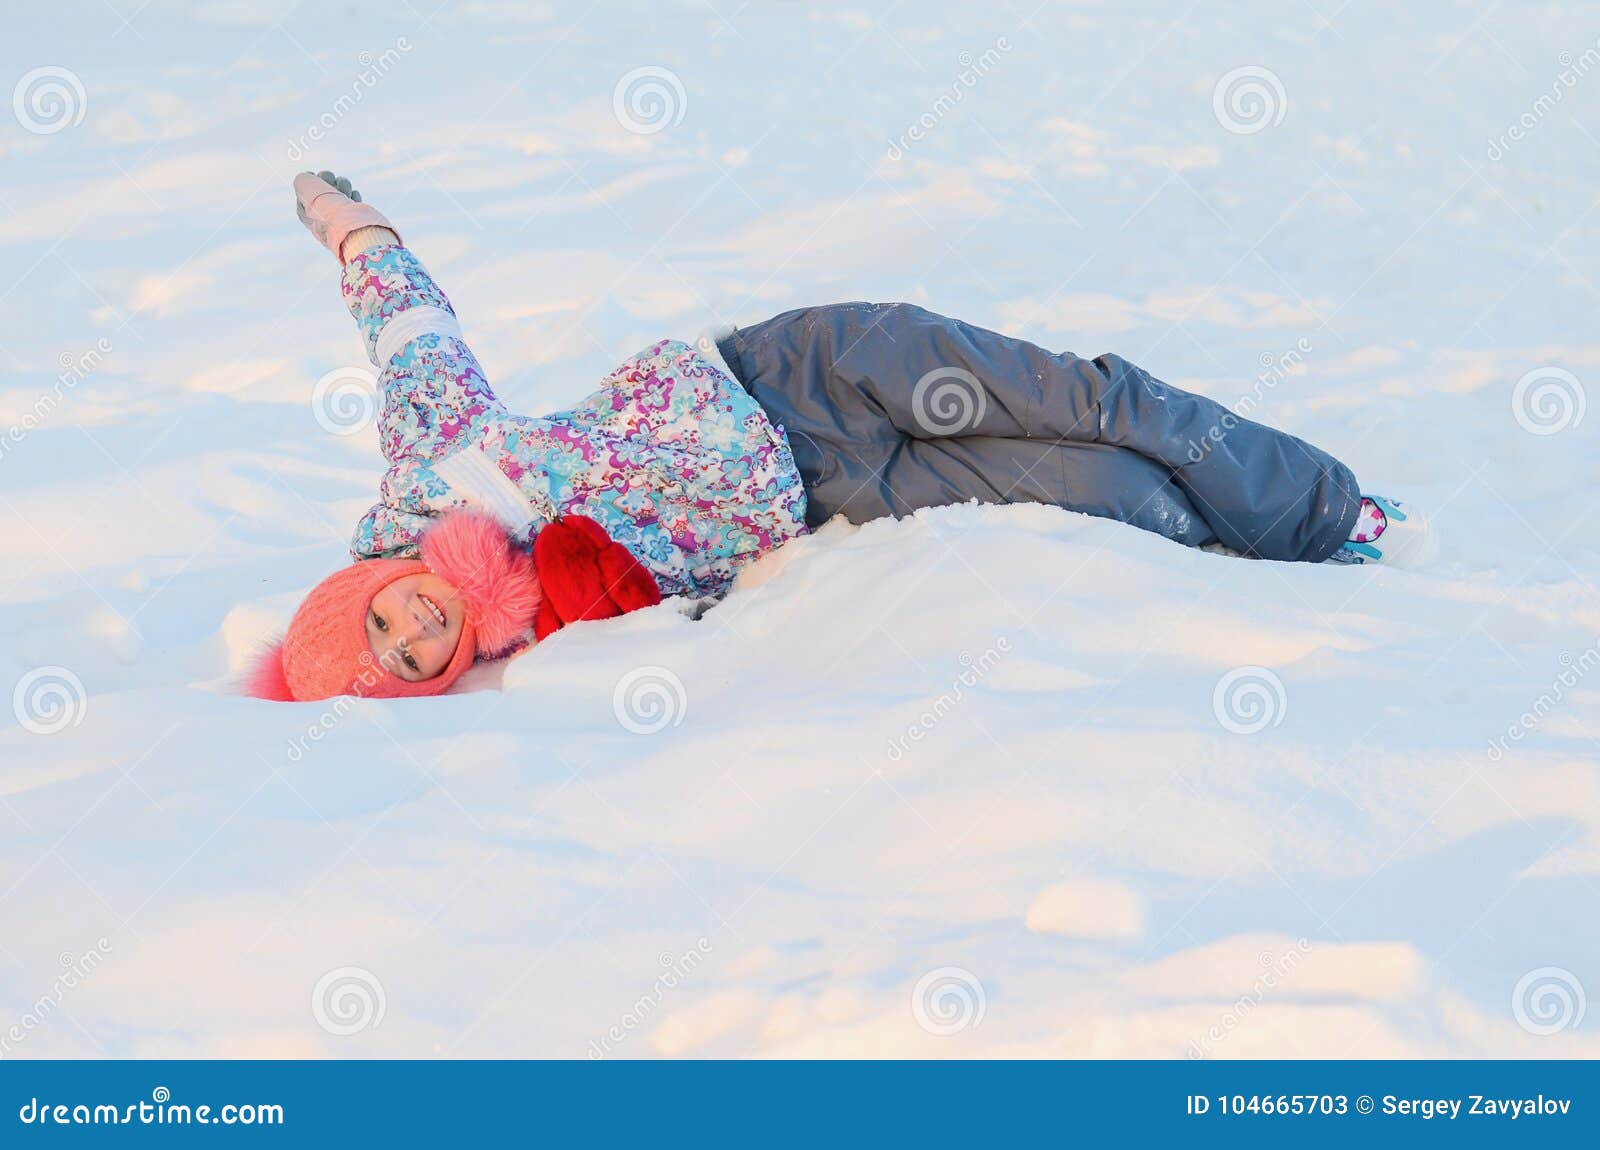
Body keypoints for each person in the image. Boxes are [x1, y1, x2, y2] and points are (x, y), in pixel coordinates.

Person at [247, 172, 1429, 703]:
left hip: (795, 369)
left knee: (1087, 400)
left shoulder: (431, 465)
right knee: (1107, 493)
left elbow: (410, 330)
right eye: (404, 657)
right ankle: (1257, 548)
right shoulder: (544, 649)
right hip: (836, 496)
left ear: (372, 576)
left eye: (383, 614)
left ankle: (1323, 509)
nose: (416, 628)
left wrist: (352, 227)